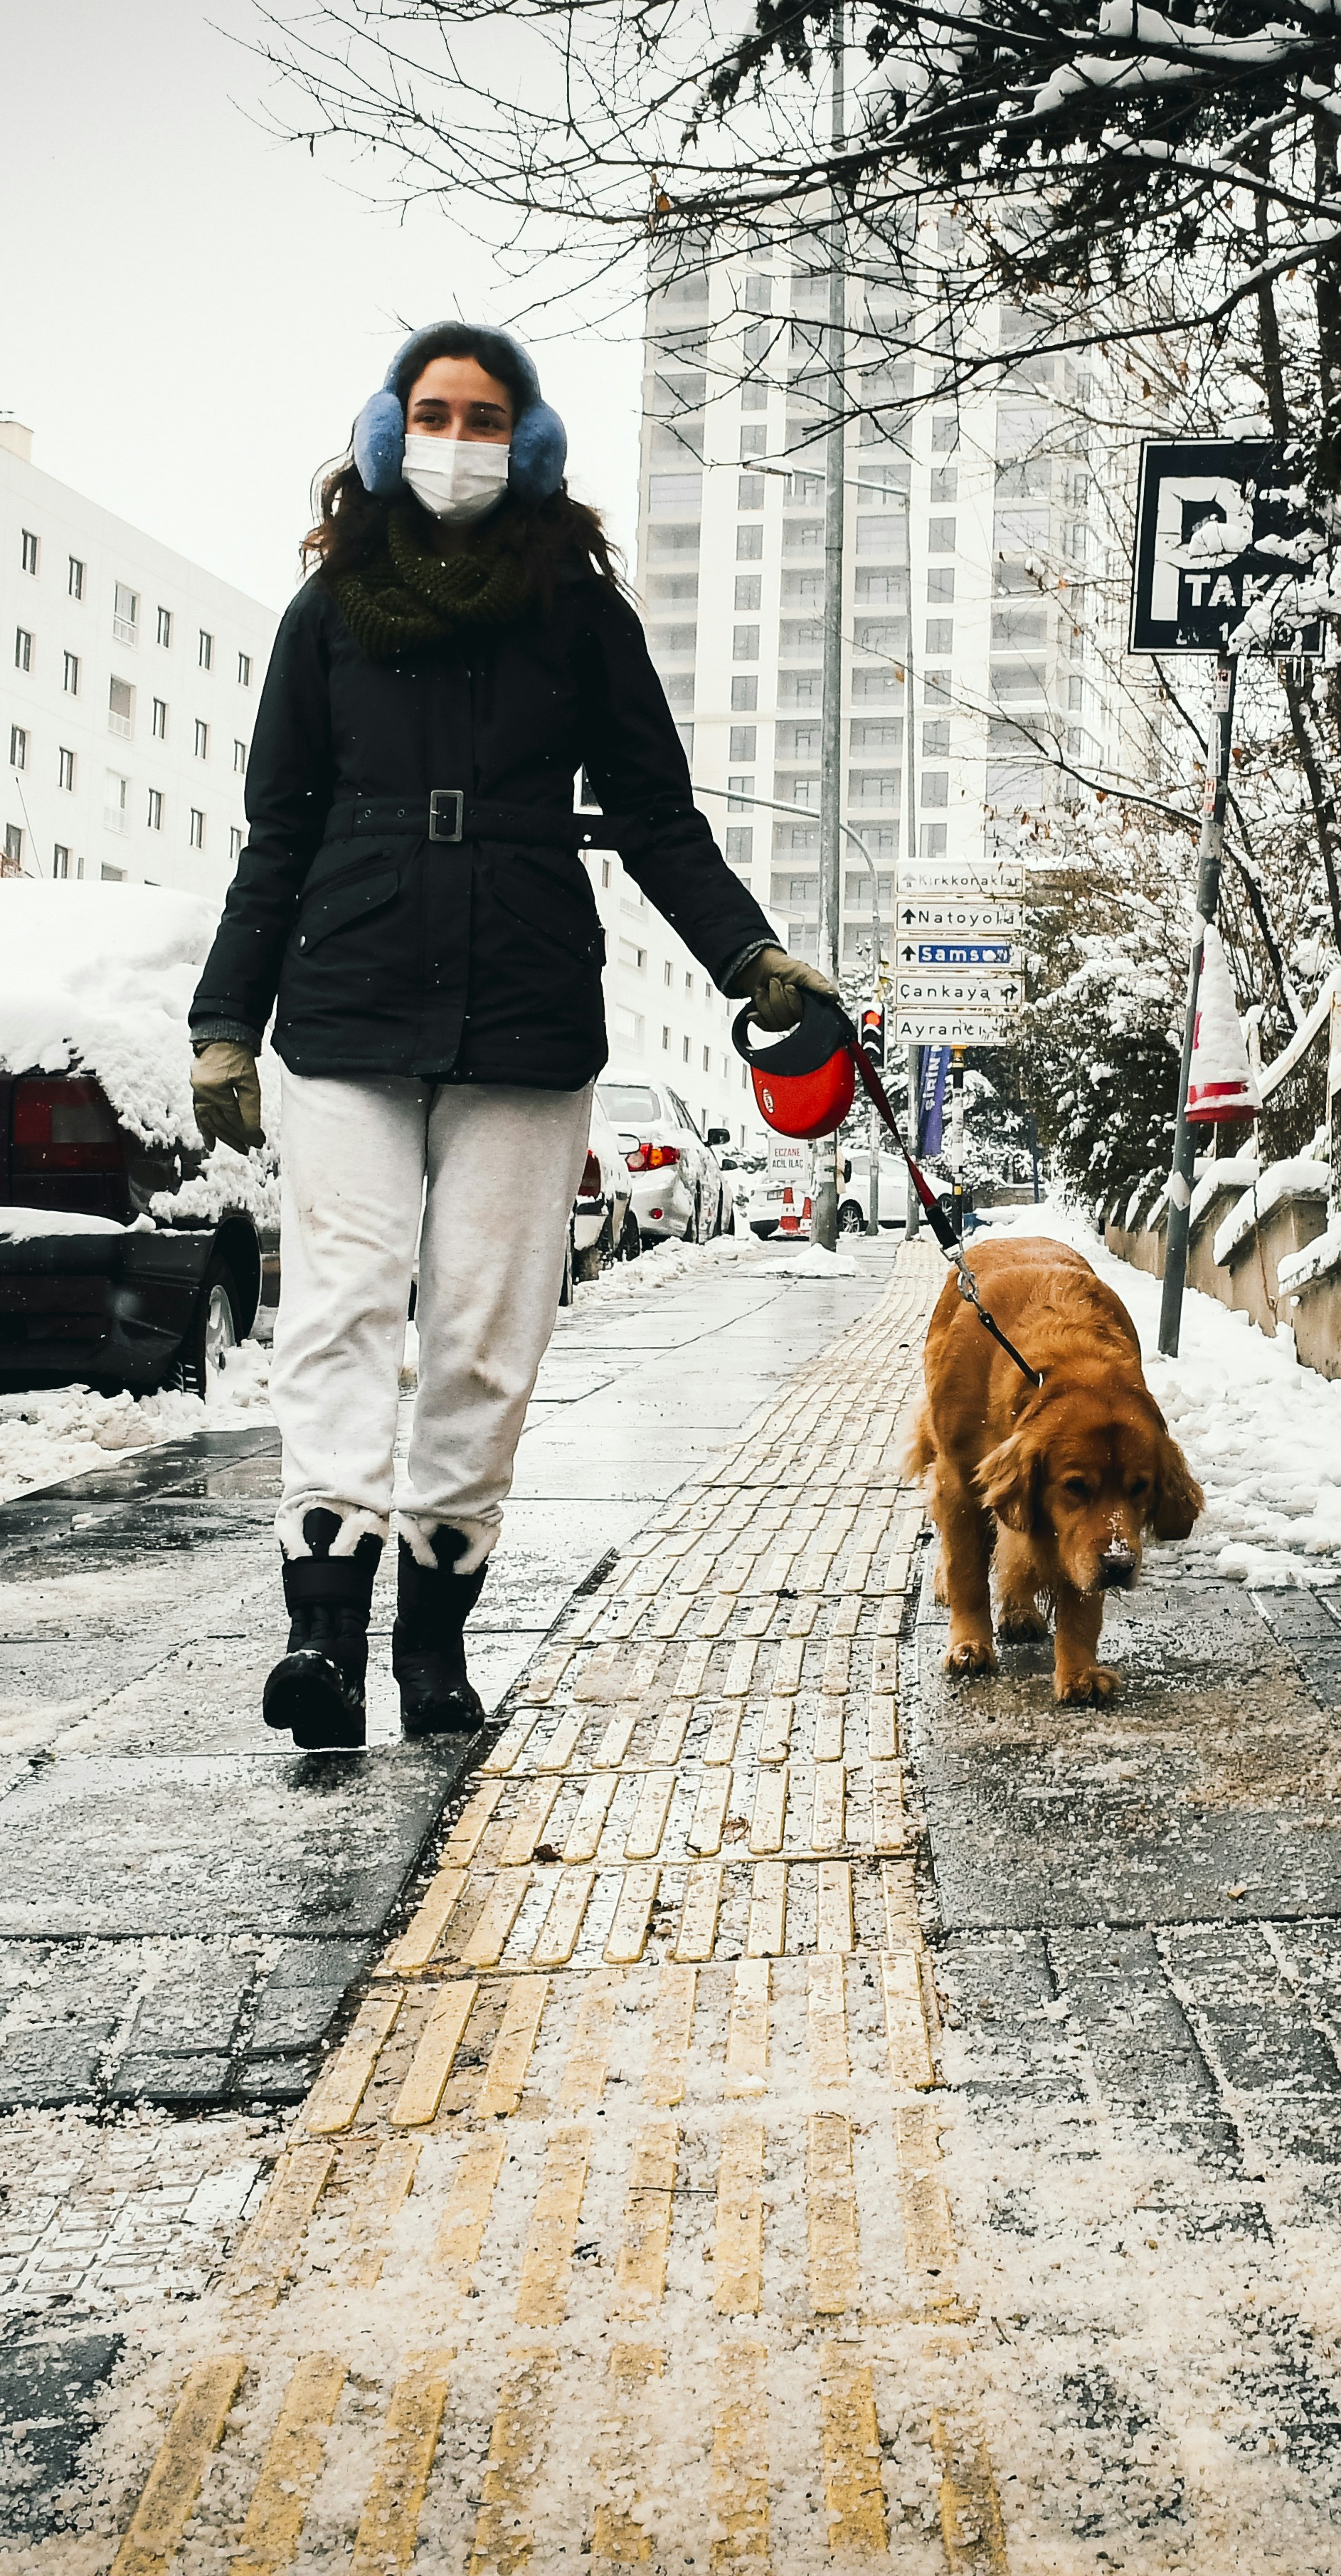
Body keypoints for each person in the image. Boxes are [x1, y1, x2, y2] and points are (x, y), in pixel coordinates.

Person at [187, 322, 841, 1748]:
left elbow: (660, 817)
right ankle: (319, 1636)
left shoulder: (580, 617)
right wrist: (226, 1020)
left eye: (485, 418)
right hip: (350, 1005)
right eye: (434, 412)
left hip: (530, 1014)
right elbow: (276, 830)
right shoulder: (329, 614)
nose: (458, 437)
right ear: (385, 430)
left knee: (486, 1336)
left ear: (527, 442)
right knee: (344, 1310)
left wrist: (749, 953)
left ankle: (431, 1647)